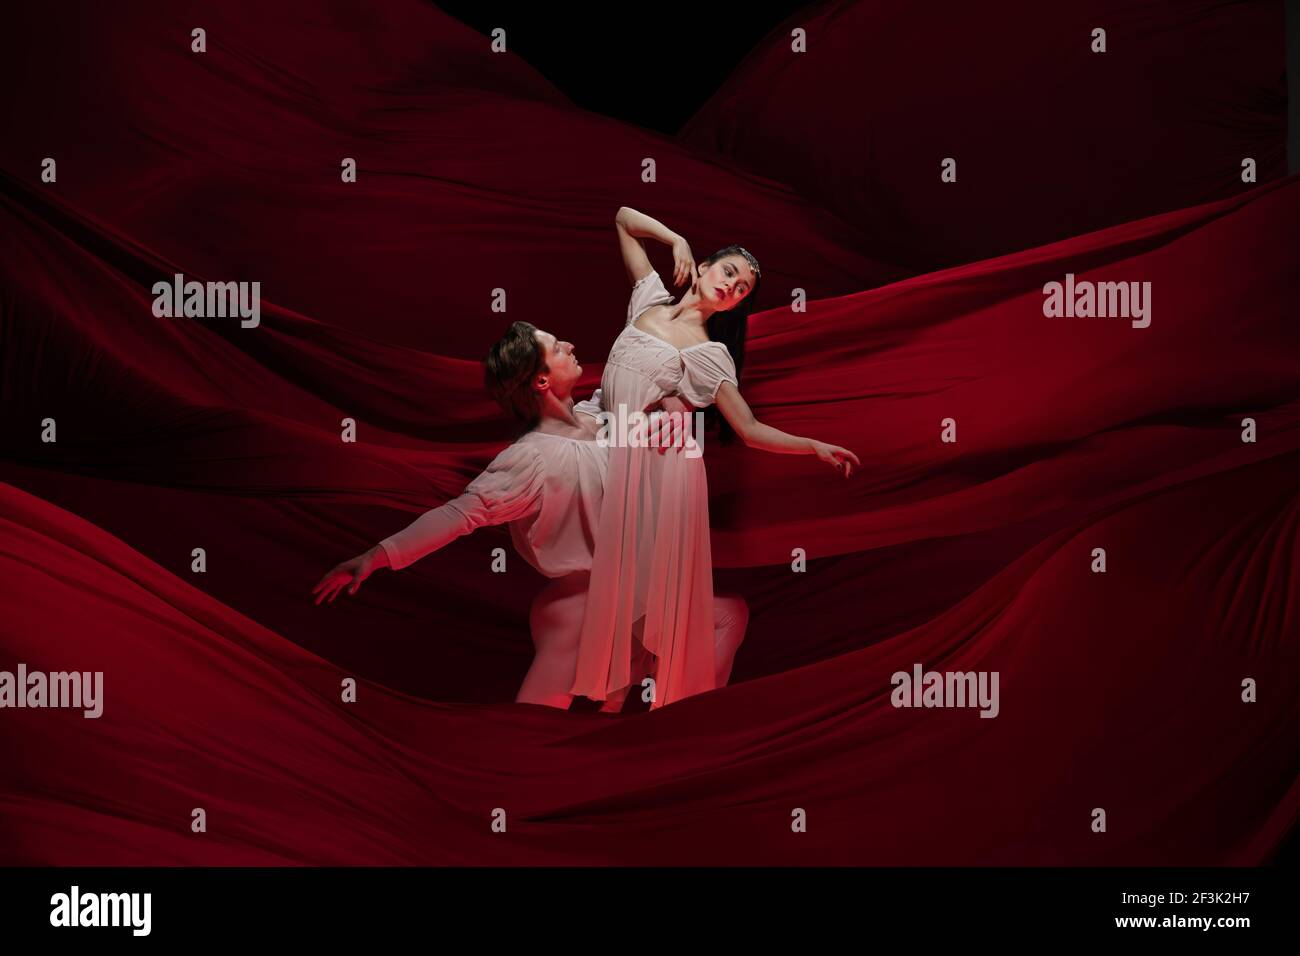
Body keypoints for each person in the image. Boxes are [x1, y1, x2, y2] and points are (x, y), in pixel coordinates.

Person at [311, 321, 749, 712]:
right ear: (542, 379)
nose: (571, 344)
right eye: (557, 347)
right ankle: (510, 787)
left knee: (727, 615)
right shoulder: (529, 460)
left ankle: (680, 728)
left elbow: (666, 397)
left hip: (632, 598)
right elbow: (461, 513)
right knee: (532, 722)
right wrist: (378, 555)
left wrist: (675, 408)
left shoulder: (603, 418)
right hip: (579, 606)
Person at [569, 206, 860, 711]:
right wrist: (674, 236)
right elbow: (620, 218)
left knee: (634, 597)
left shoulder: (708, 354)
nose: (733, 287)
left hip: (655, 475)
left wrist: (812, 446)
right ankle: (603, 718)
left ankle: (623, 720)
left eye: (743, 289)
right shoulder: (648, 299)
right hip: (609, 446)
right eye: (729, 272)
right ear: (703, 267)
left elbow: (747, 429)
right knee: (611, 588)